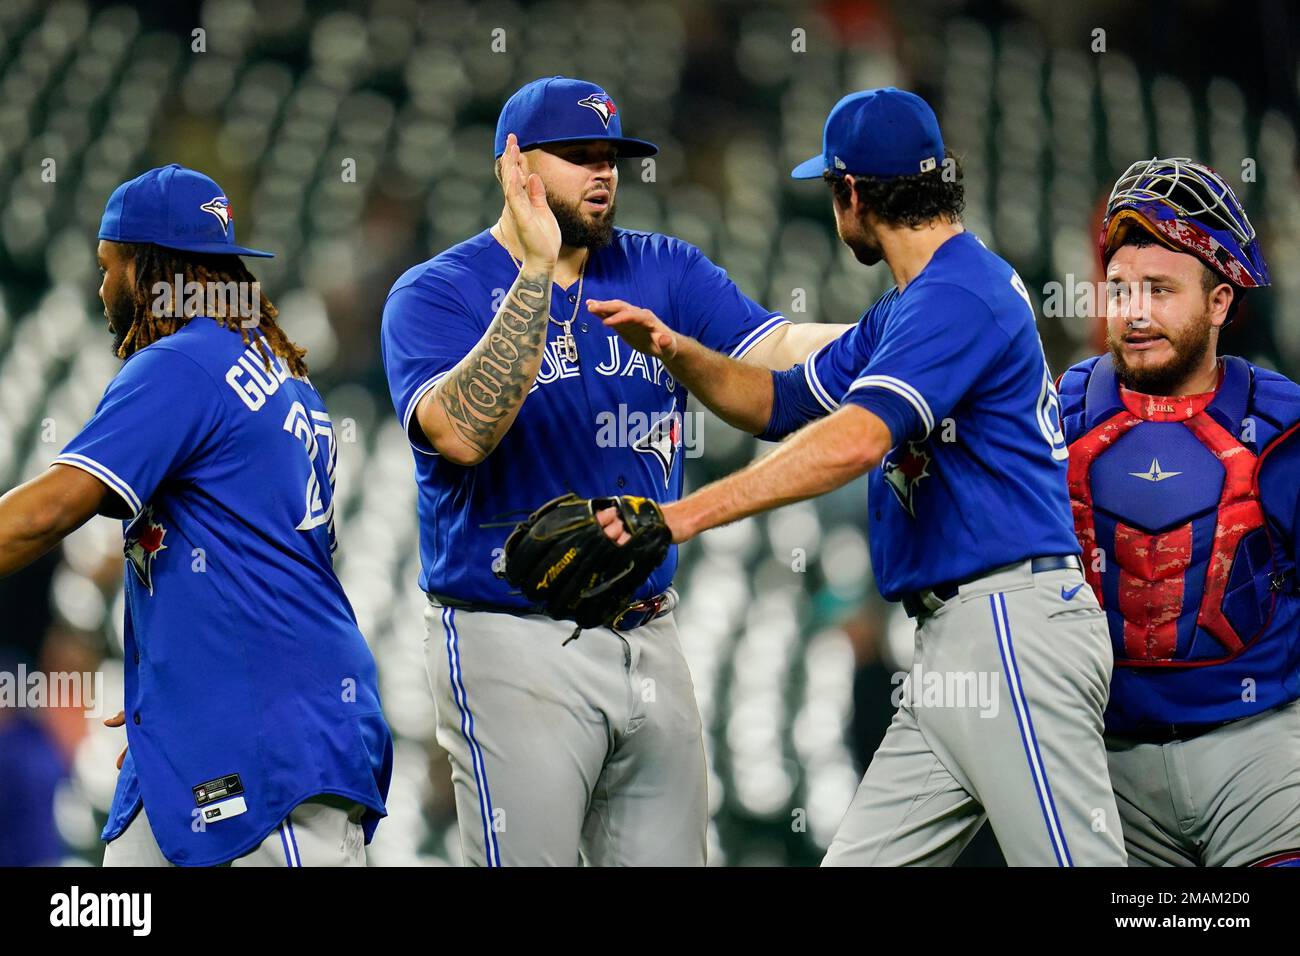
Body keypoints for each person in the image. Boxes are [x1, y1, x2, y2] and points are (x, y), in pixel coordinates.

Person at [592, 88, 1127, 865]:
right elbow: (778, 402)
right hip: (952, 644)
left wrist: (683, 516)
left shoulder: (958, 293)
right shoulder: (910, 305)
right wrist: (679, 350)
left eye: (831, 189)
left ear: (851, 193)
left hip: (1011, 626)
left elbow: (851, 442)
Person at [380, 76, 846, 866]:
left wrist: (903, 337)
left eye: (612, 157)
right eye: (578, 156)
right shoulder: (437, 293)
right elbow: (461, 433)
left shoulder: (662, 269)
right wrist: (534, 274)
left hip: (650, 628)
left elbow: (775, 354)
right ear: (513, 167)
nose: (603, 173)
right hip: (509, 640)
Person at [0, 164, 392, 866]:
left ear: (147, 266)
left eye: (107, 265)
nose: (99, 288)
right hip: (204, 742)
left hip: (274, 751)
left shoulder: (183, 364)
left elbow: (46, 512)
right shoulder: (283, 379)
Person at [1057, 157, 1300, 867]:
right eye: (1121, 289)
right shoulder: (1056, 416)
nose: (1134, 313)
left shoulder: (1284, 427)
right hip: (1105, 762)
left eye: (1160, 291)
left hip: (1260, 748)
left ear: (1220, 302)